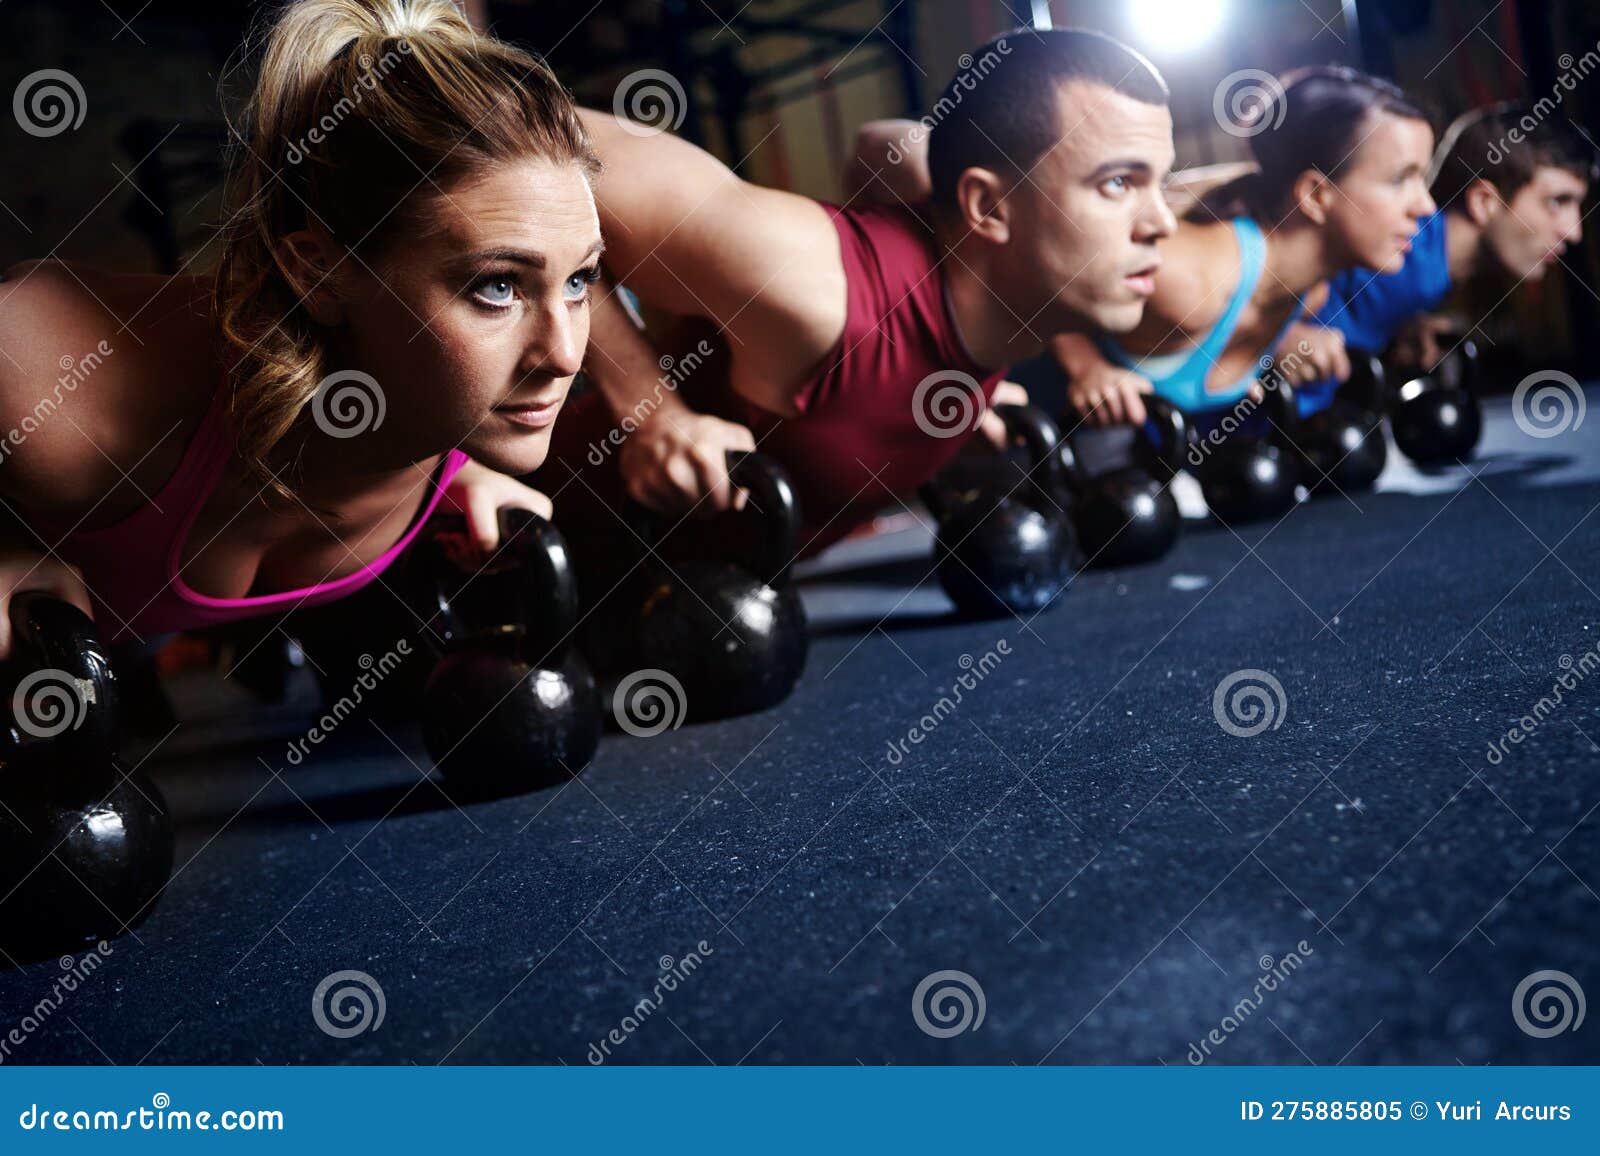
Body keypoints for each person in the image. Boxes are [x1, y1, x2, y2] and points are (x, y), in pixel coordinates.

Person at [0, 0, 595, 660]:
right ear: (319, 272)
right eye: (498, 286)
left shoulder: (442, 411)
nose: (566, 355)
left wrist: (458, 466)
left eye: (580, 281)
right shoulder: (59, 401)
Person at [536, 28, 1177, 561]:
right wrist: (650, 411)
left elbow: (881, 143)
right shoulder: (802, 275)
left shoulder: (996, 307)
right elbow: (520, 135)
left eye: (1160, 183)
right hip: (511, 575)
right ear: (987, 204)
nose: (1162, 222)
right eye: (1118, 184)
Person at [1280, 102, 1594, 401]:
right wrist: (1280, 342)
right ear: (1484, 202)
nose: (1573, 231)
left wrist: (1400, 332)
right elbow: (1268, 281)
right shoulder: (1393, 243)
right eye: (1557, 202)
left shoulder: (1431, 273)